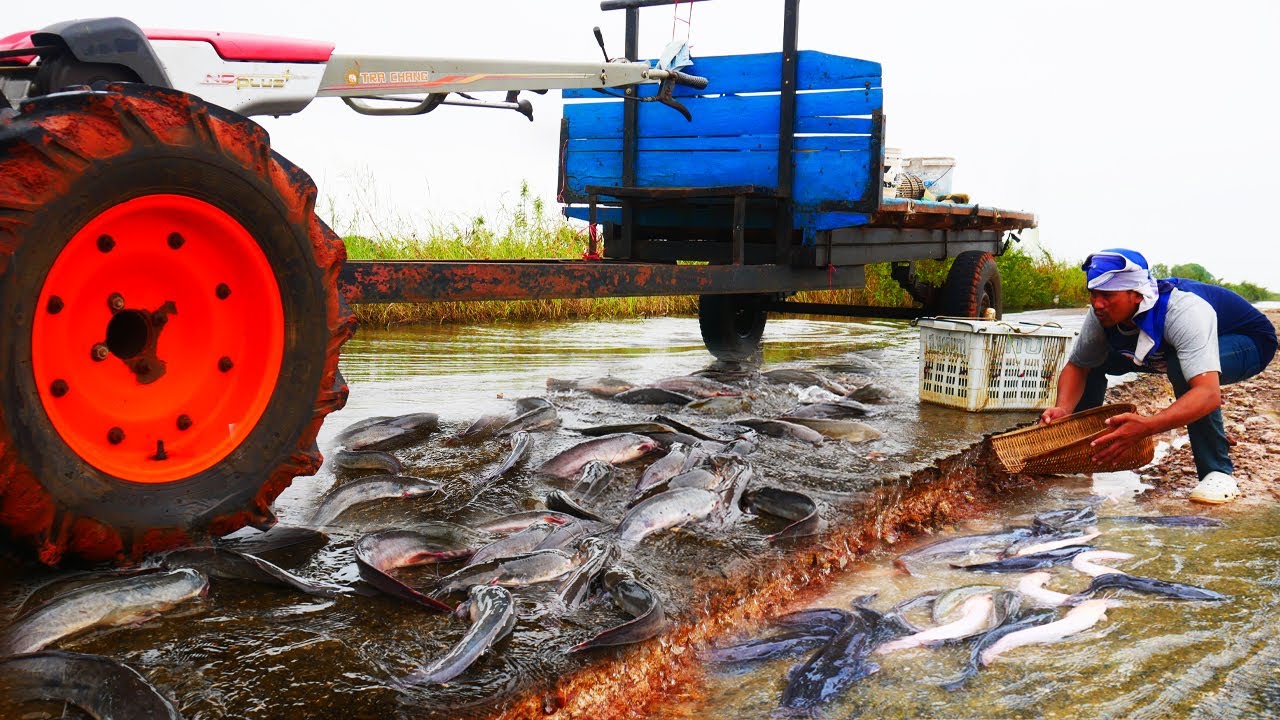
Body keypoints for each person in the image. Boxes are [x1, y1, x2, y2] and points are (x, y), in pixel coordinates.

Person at [1039, 248, 1277, 503]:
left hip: (1248, 342)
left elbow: (1208, 394)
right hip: (1166, 350)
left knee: (1183, 370)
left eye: (1107, 295)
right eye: (1093, 294)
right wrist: (1064, 408)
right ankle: (1083, 456)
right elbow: (1078, 366)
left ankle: (1217, 472)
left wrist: (1148, 426)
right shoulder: (1102, 314)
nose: (1098, 303)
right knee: (1095, 359)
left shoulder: (1184, 310)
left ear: (1136, 294)